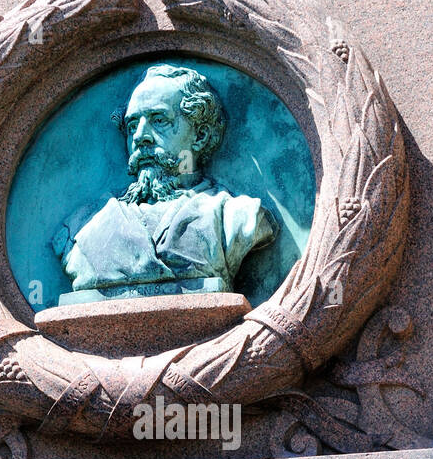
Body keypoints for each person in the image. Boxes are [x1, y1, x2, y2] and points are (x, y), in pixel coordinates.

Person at [53, 64, 276, 302]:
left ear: (200, 135)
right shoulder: (81, 227)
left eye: (159, 120)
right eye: (132, 125)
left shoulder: (236, 217)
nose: (139, 136)